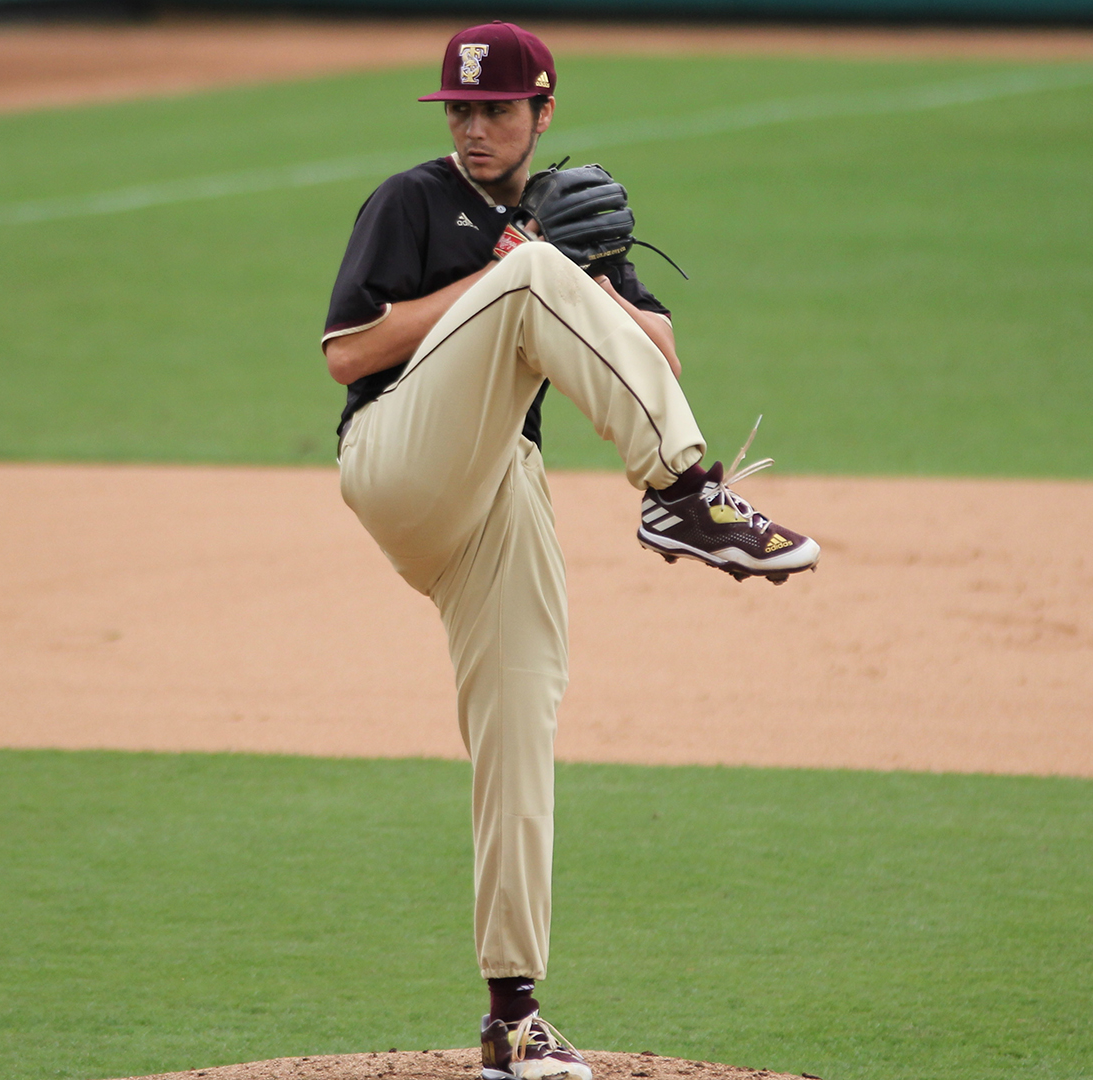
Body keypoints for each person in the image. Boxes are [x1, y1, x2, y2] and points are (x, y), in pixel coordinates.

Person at [321, 22, 820, 1080]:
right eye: (459, 109)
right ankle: (683, 494)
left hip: (501, 491)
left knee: (521, 722)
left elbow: (660, 355)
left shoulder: (566, 222)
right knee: (535, 275)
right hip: (400, 456)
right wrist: (512, 270)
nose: (474, 127)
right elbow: (348, 352)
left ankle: (513, 1014)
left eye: (496, 109)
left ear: (544, 113)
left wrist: (594, 273)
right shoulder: (411, 204)